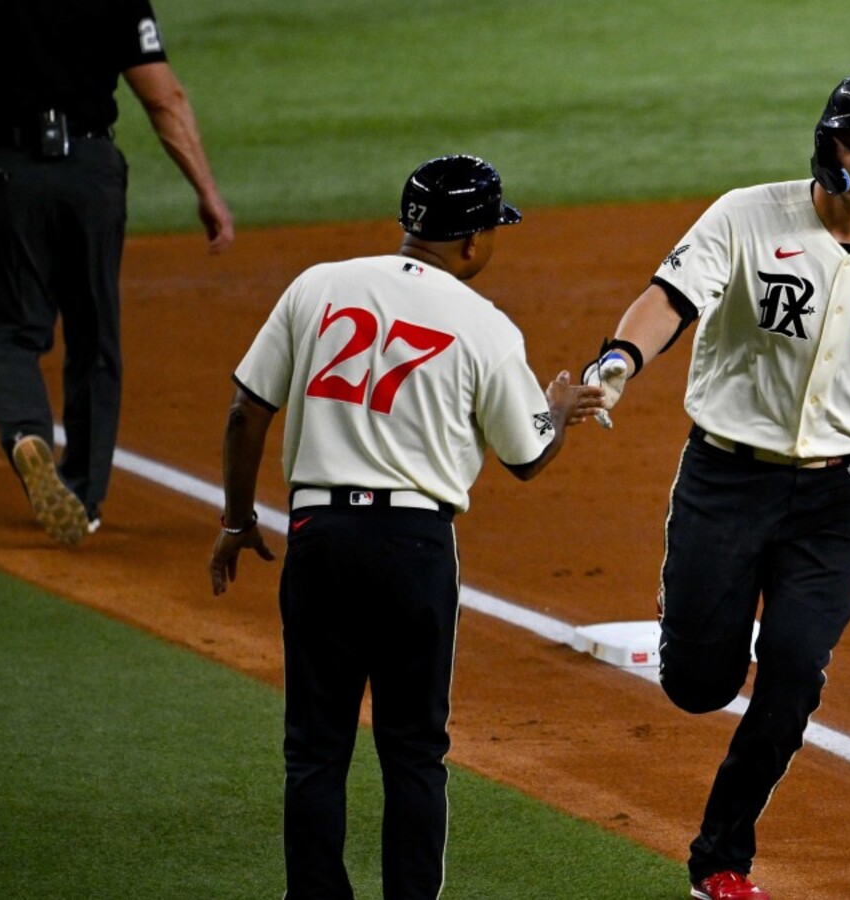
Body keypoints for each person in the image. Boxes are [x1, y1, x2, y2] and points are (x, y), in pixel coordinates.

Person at [583, 74, 850, 900]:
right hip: (726, 478)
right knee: (699, 685)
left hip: (835, 498)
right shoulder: (746, 214)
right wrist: (618, 362)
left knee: (797, 669)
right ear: (825, 141)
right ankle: (698, 624)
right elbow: (670, 299)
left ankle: (722, 859)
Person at [208, 155, 603, 900]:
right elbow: (527, 456)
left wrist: (235, 519)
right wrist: (556, 408)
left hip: (319, 539)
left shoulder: (317, 285)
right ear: (472, 242)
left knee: (315, 750)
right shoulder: (484, 325)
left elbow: (244, 410)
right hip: (414, 549)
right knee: (414, 752)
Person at [0, 0, 234, 546]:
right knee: (94, 336)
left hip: (7, 174)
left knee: (11, 332)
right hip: (90, 176)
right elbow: (164, 97)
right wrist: (206, 192)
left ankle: (25, 433)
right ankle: (83, 497)